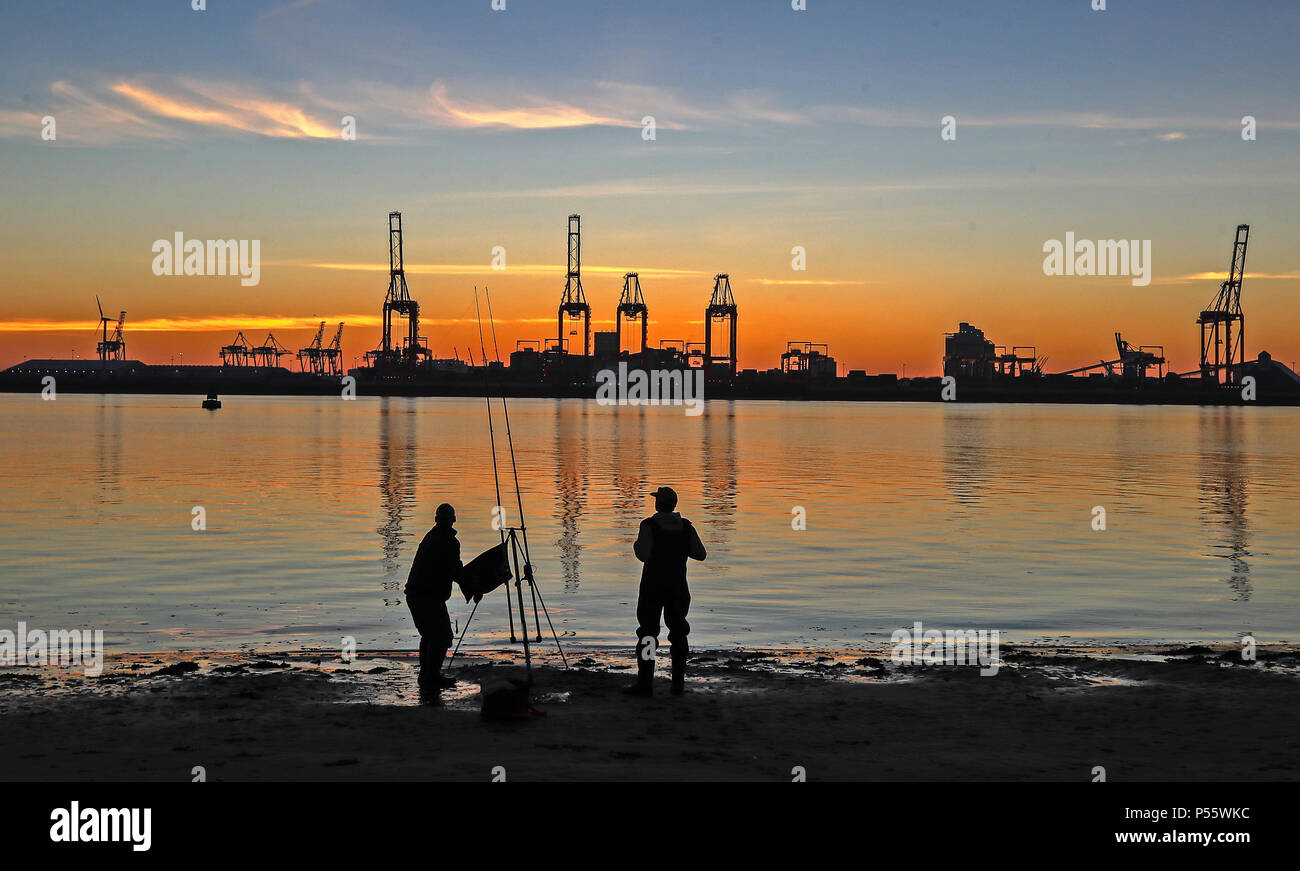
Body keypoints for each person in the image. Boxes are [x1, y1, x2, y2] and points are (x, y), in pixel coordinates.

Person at [623, 486, 707, 697]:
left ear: (657, 504)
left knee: (648, 633)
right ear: (674, 505)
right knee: (679, 633)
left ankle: (645, 683)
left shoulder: (648, 525)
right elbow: (700, 554)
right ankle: (677, 684)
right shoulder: (686, 527)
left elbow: (642, 555)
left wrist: (636, 545)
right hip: (678, 586)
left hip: (652, 586)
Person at [406, 503, 462, 689]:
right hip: (425, 597)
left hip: (417, 595)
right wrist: (475, 587)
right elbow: (456, 572)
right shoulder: (448, 542)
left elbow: (452, 570)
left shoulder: (431, 537)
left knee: (430, 636)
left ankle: (427, 675)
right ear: (453, 520)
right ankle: (431, 676)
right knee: (442, 637)